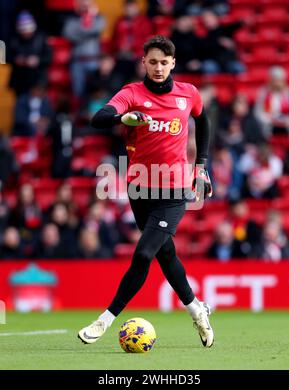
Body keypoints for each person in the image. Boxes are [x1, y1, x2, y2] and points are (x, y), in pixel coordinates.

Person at [78, 35, 214, 348]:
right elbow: (98, 117)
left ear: (173, 63)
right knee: (165, 255)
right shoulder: (132, 93)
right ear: (144, 63)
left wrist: (202, 166)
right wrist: (121, 117)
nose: (158, 67)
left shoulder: (188, 94)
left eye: (164, 62)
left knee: (143, 254)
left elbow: (203, 121)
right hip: (139, 188)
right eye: (152, 62)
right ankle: (197, 310)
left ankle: (106, 319)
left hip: (174, 188)